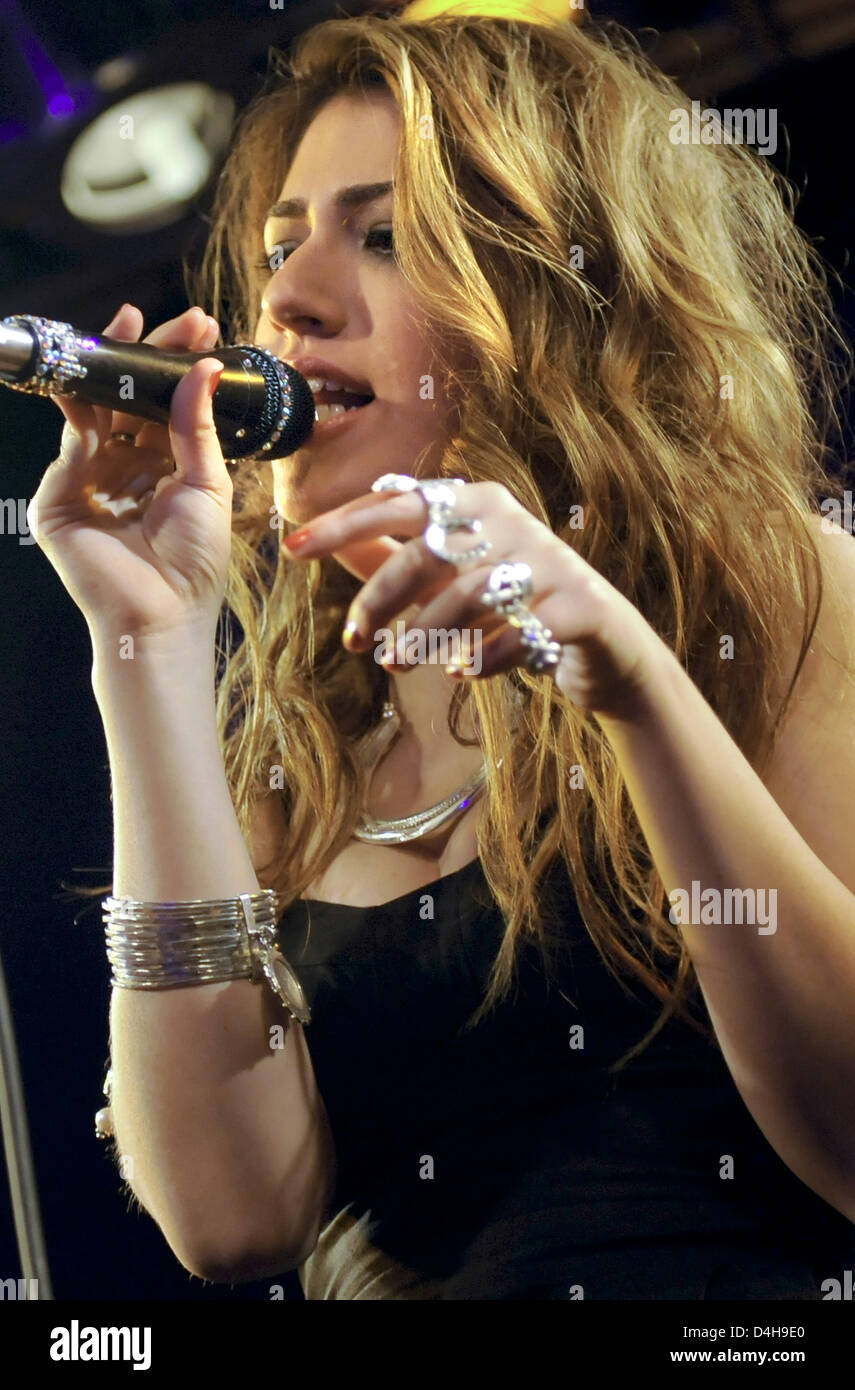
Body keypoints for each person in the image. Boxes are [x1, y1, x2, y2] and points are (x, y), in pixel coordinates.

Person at [29, 0, 855, 1299]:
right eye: (279, 246)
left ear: (561, 285)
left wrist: (633, 688)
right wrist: (147, 648)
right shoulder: (299, 747)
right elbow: (233, 1220)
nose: (290, 298)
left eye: (385, 237)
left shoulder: (777, 590)